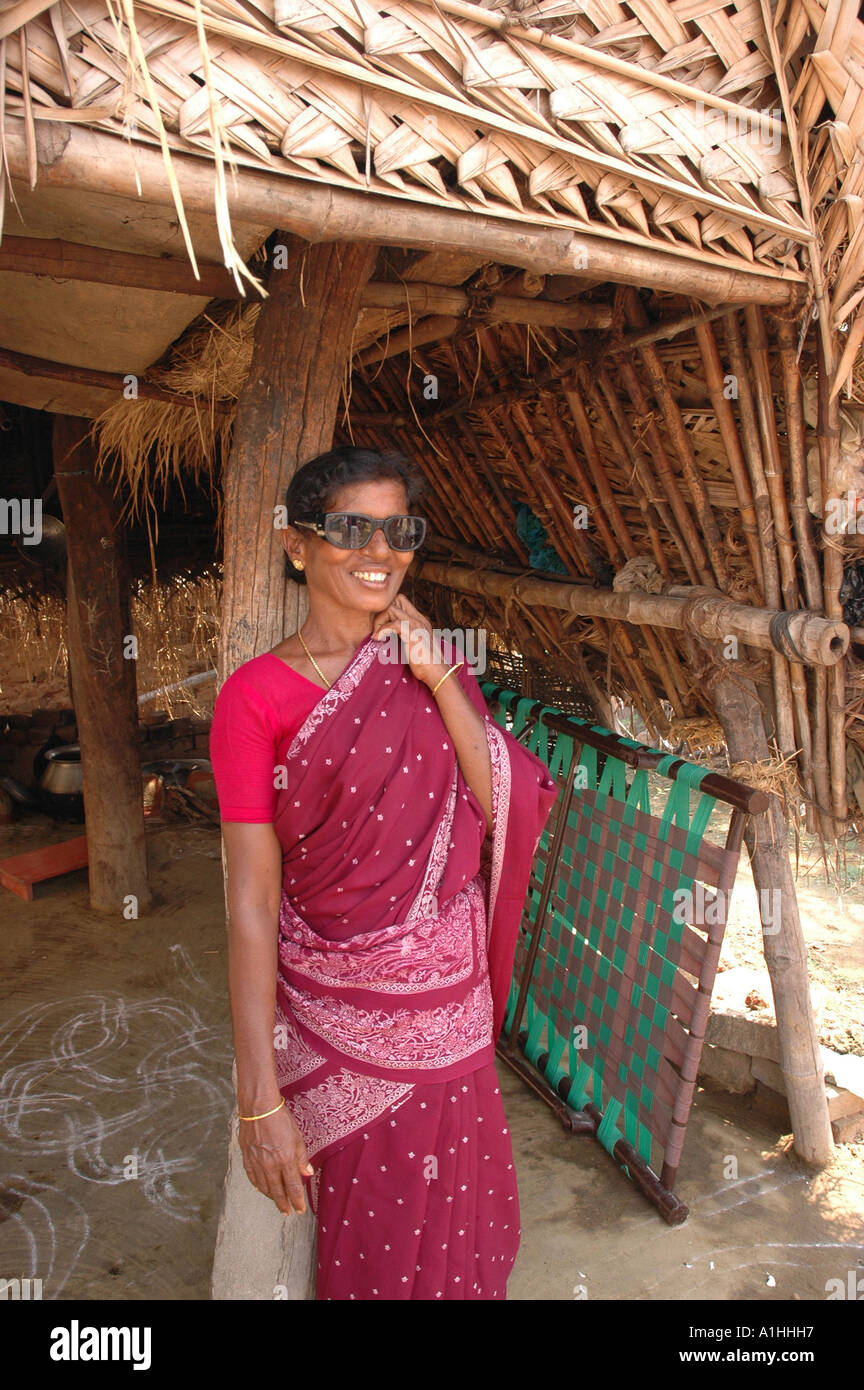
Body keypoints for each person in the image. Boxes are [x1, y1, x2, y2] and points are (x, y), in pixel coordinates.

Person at [209, 446, 556, 1300]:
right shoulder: (255, 697)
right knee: (375, 1248)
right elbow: (251, 900)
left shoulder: (432, 672)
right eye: (351, 528)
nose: (380, 550)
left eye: (399, 530)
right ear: (299, 547)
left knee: (458, 1239)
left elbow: (511, 801)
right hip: (334, 1020)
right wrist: (260, 1100)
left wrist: (440, 677)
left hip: (454, 1018)